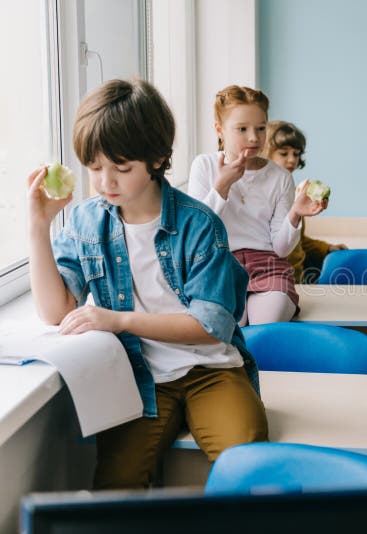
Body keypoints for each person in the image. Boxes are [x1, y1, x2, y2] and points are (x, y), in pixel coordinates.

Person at [26, 78, 267, 489]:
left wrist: (118, 320)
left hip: (211, 370)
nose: (105, 182)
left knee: (248, 466)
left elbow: (209, 327)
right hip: (140, 376)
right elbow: (54, 312)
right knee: (115, 484)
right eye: (94, 167)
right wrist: (38, 226)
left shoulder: (199, 224)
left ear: (157, 158)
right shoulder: (86, 221)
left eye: (121, 168)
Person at [188, 86, 326, 324]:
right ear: (220, 130)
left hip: (269, 266)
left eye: (261, 128)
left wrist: (295, 213)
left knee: (267, 323)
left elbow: (281, 249)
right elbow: (197, 233)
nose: (254, 137)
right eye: (242, 129)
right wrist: (222, 186)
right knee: (234, 324)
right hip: (220, 265)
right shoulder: (204, 166)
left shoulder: (281, 177)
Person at [265, 120, 346, 283]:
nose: (292, 160)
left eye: (296, 154)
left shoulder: (294, 193)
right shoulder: (262, 196)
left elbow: (296, 240)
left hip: (297, 277)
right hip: (273, 281)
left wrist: (326, 248)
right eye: (284, 153)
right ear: (265, 152)